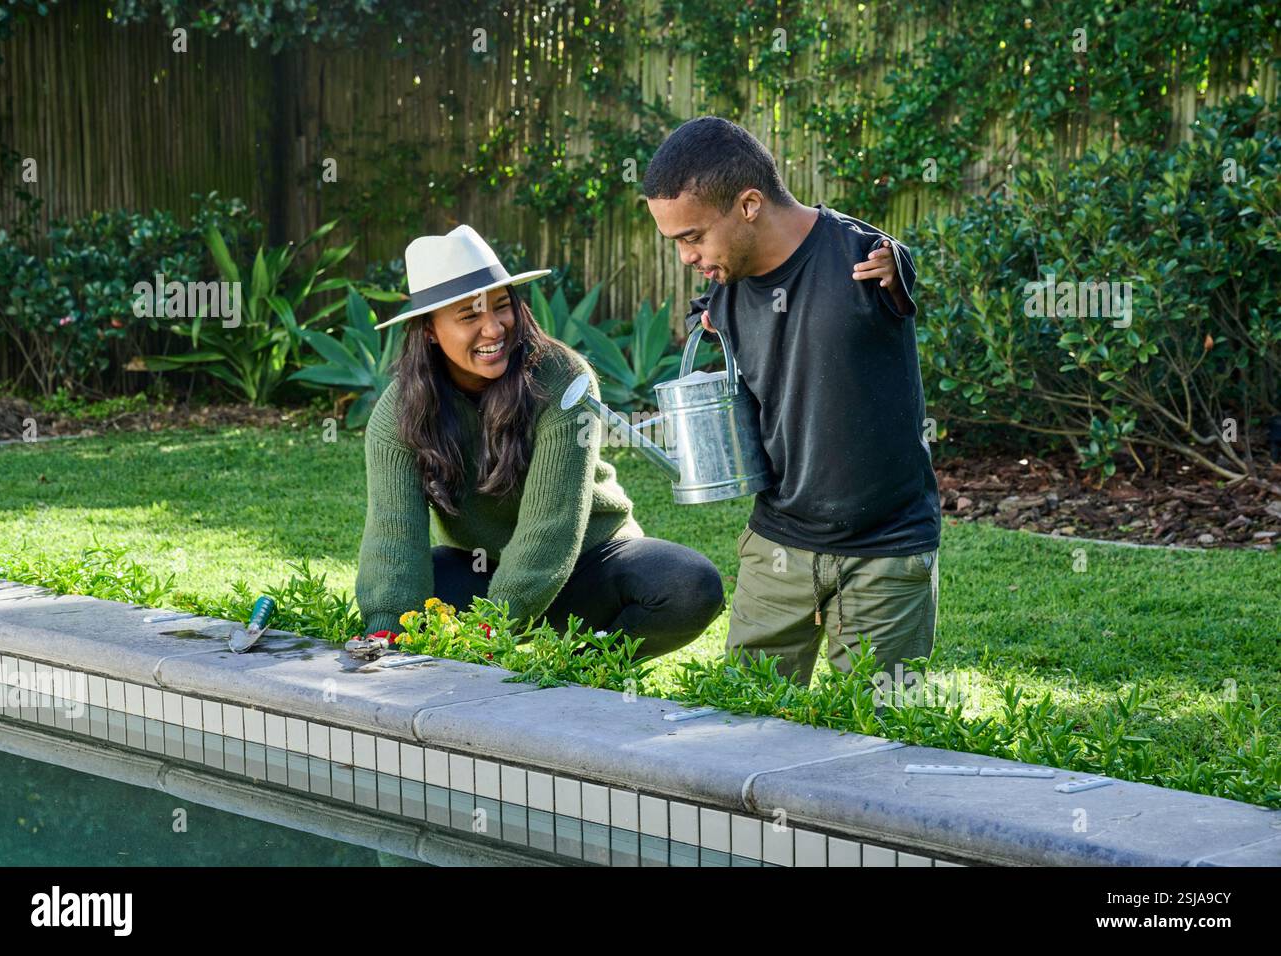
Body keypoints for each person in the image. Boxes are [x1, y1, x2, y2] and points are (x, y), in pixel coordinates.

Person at [642, 116, 941, 694]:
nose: (684, 256)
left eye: (692, 236)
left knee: (882, 733)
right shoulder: (723, 295)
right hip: (777, 545)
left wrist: (897, 270)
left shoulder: (863, 261)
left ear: (750, 204)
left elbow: (902, 279)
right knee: (744, 719)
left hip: (886, 548)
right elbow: (707, 328)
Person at [353, 224, 724, 660]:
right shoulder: (398, 414)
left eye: (502, 307)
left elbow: (553, 526)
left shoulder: (563, 379)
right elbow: (393, 538)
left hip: (592, 564)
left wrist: (491, 629)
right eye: (470, 316)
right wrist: (388, 636)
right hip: (486, 568)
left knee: (688, 585)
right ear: (430, 330)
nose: (494, 329)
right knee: (416, 582)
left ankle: (582, 670)